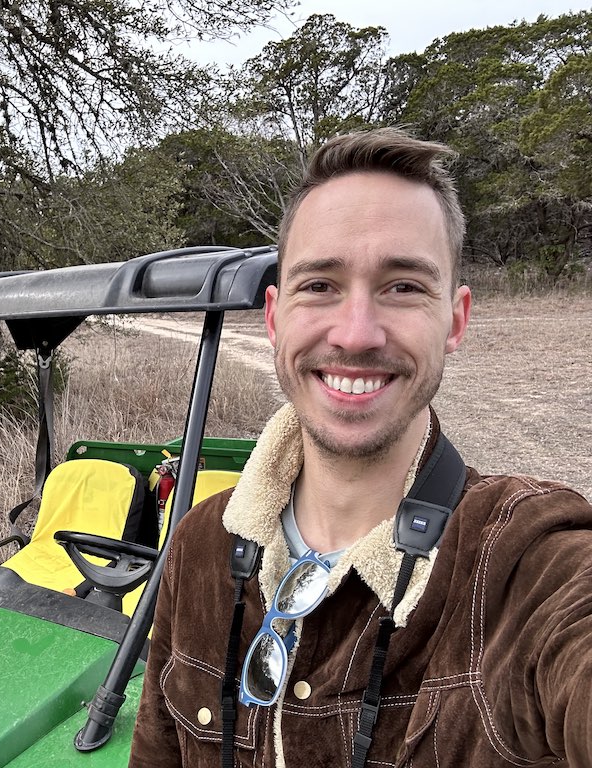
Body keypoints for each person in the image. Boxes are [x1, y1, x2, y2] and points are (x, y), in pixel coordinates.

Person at [129, 127, 592, 767]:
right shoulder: (200, 542)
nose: (355, 334)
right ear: (274, 317)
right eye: (319, 285)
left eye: (403, 286)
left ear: (454, 319)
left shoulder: (526, 563)